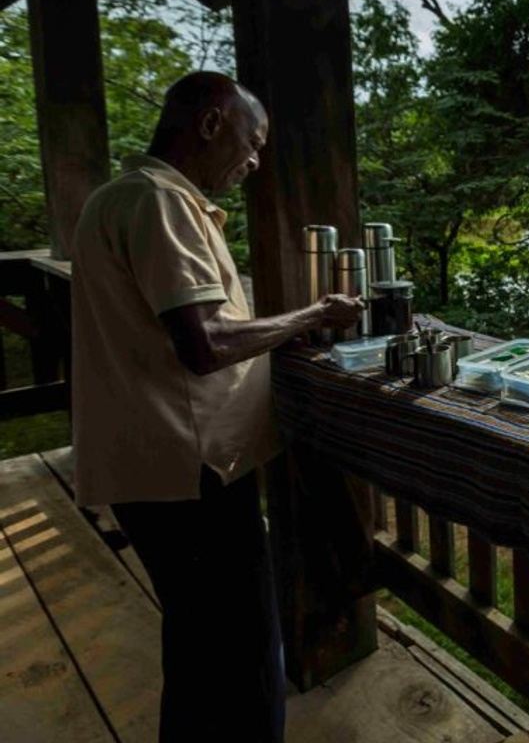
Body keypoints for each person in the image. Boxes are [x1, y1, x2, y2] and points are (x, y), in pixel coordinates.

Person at [69, 71, 366, 742]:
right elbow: (206, 341)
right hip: (188, 471)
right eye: (252, 142)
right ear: (210, 123)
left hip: (147, 464)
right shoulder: (161, 202)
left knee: (198, 649)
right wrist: (315, 314)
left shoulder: (115, 198)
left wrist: (278, 330)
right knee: (247, 653)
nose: (255, 161)